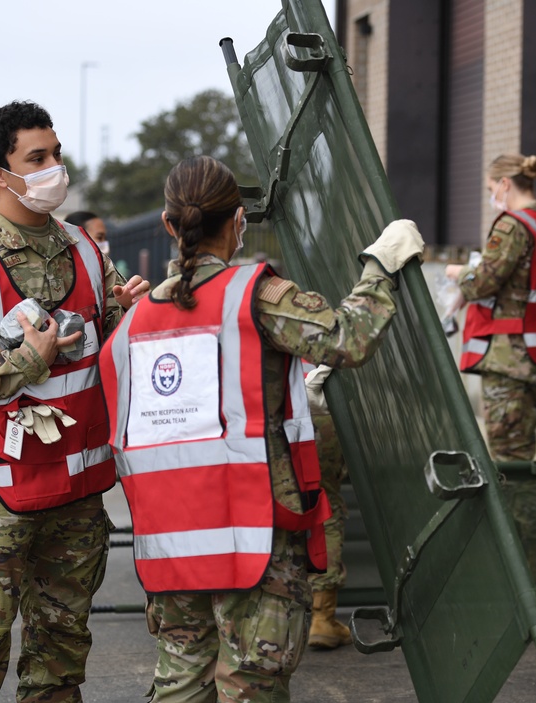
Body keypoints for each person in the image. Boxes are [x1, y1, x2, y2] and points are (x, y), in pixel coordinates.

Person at [97, 155, 424, 701]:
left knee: (180, 686)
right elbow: (347, 339)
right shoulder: (255, 296)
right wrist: (380, 269)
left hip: (170, 544)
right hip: (254, 535)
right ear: (238, 220)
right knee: (251, 685)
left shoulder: (132, 324)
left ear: (167, 224)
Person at [0, 100, 149, 701]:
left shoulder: (88, 251)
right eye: (36, 158)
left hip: (73, 481)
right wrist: (28, 360)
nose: (54, 169)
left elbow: (111, 335)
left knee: (62, 647)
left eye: (56, 154)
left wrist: (138, 311)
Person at [444, 153, 536, 581]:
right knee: (522, 457)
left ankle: (532, 573)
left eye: (491, 188)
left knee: (513, 466)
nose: (491, 196)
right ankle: (535, 565)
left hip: (512, 358)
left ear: (505, 184)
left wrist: (461, 271)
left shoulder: (514, 225)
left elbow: (484, 282)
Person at [303, 364, 353, 650]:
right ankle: (322, 616)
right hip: (319, 401)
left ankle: (274, 613)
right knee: (325, 505)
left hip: (265, 404)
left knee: (273, 503)